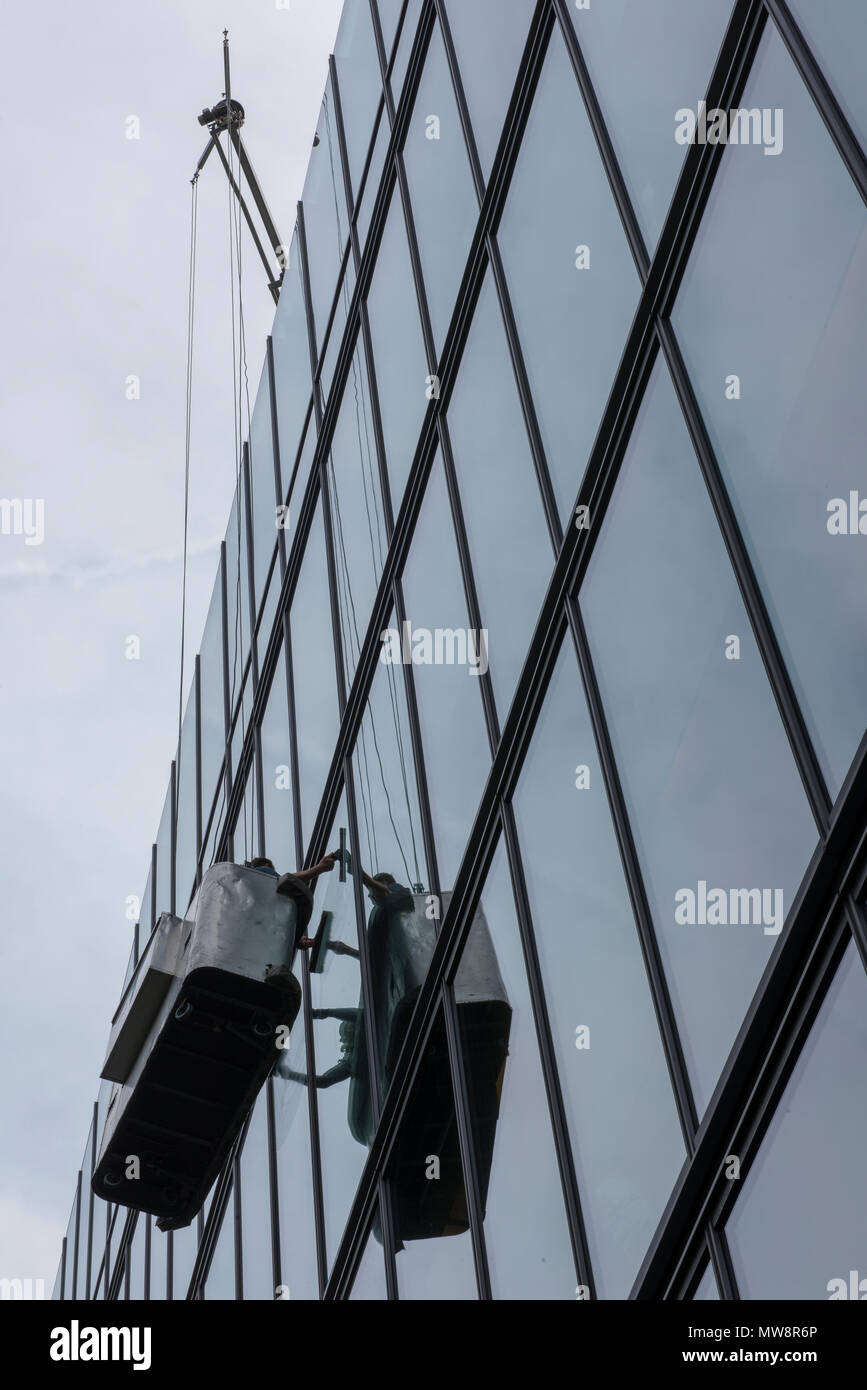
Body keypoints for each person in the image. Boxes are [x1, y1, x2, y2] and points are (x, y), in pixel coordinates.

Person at [247, 853, 338, 949]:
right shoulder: (262, 871)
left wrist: (299, 941)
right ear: (266, 865)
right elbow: (286, 881)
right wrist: (320, 868)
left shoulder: (257, 901)